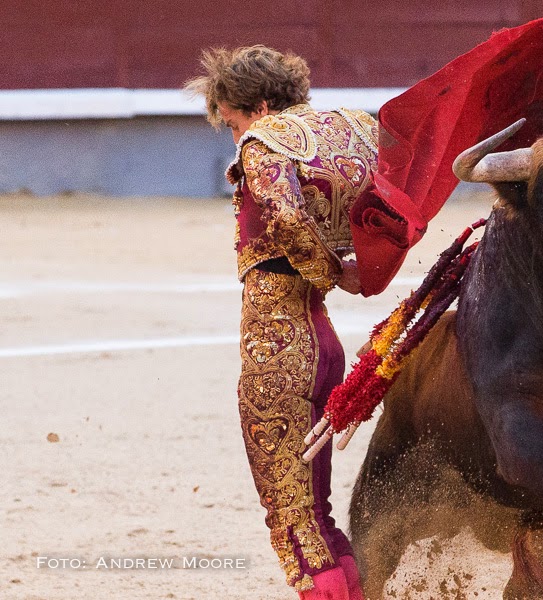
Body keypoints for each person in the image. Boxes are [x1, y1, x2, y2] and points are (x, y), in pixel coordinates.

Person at [186, 45, 376, 599]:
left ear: (260, 105)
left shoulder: (264, 141)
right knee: (318, 517)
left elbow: (288, 220)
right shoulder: (347, 134)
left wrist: (334, 270)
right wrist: (360, 265)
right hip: (324, 342)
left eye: (233, 118)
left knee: (295, 526)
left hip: (279, 346)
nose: (233, 133)